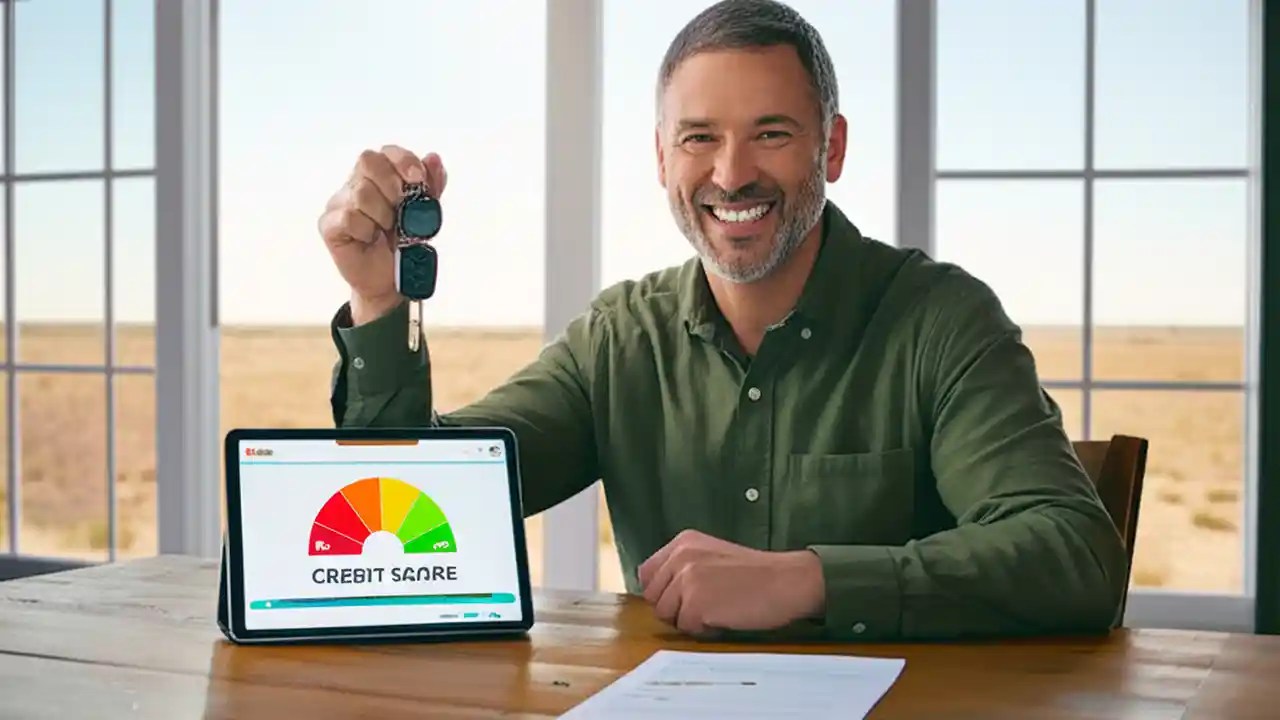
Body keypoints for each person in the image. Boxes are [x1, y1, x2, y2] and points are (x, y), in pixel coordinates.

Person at [317, 0, 1127, 641]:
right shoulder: (617, 338)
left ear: (831, 149)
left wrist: (809, 578)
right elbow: (419, 503)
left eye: (771, 134)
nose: (732, 174)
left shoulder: (941, 320)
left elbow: (1074, 552)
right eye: (700, 138)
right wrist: (381, 301)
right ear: (662, 158)